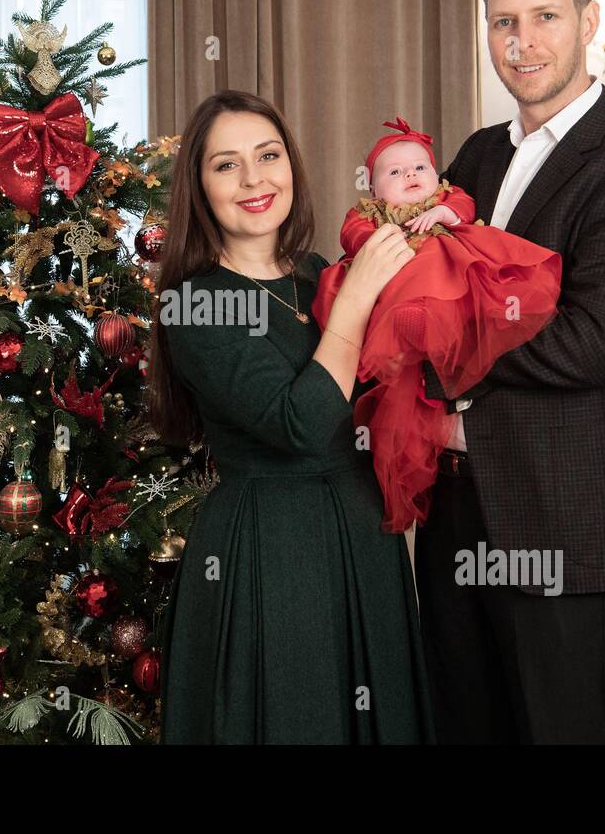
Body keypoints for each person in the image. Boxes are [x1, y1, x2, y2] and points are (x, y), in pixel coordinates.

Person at [416, 0, 605, 743]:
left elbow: (593, 340)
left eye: (544, 17)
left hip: (562, 519)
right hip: (456, 509)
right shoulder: (476, 153)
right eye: (504, 21)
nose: (522, 42)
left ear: (590, 21)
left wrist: (445, 339)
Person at [151, 89, 434, 743]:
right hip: (269, 550)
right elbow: (300, 425)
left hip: (364, 537)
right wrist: (360, 296)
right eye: (226, 165)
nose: (254, 180)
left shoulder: (319, 273)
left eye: (268, 155)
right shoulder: (196, 304)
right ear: (198, 185)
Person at [312, 118, 562, 535]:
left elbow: (463, 205)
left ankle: (438, 327)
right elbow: (352, 233)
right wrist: (375, 239)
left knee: (462, 273)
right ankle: (406, 331)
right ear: (374, 190)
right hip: (391, 272)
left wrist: (446, 211)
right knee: (343, 287)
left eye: (419, 168)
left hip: (445, 273)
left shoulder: (447, 199)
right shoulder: (370, 214)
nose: (410, 175)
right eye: (394, 172)